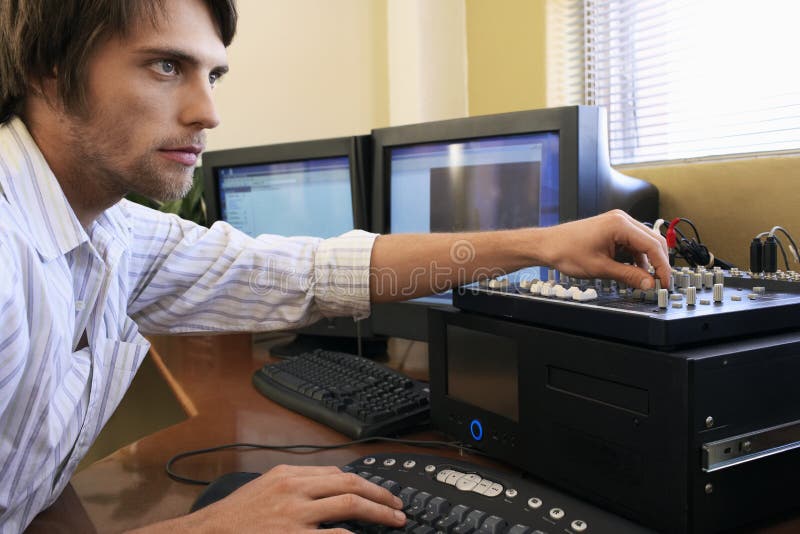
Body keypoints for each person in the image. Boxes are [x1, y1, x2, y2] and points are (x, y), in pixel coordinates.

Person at [0, 0, 669, 532]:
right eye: (165, 67)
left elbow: (317, 272)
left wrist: (541, 246)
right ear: (48, 68)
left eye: (212, 74)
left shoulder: (113, 228)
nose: (208, 112)